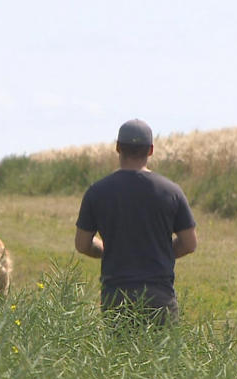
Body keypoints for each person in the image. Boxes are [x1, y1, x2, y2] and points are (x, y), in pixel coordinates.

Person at [75, 119, 197, 325]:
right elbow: (189, 243)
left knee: (120, 357)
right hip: (160, 297)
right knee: (162, 356)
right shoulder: (171, 191)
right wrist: (158, 253)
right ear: (150, 150)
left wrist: (110, 251)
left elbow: (82, 244)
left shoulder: (97, 192)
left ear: (117, 147)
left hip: (116, 297)